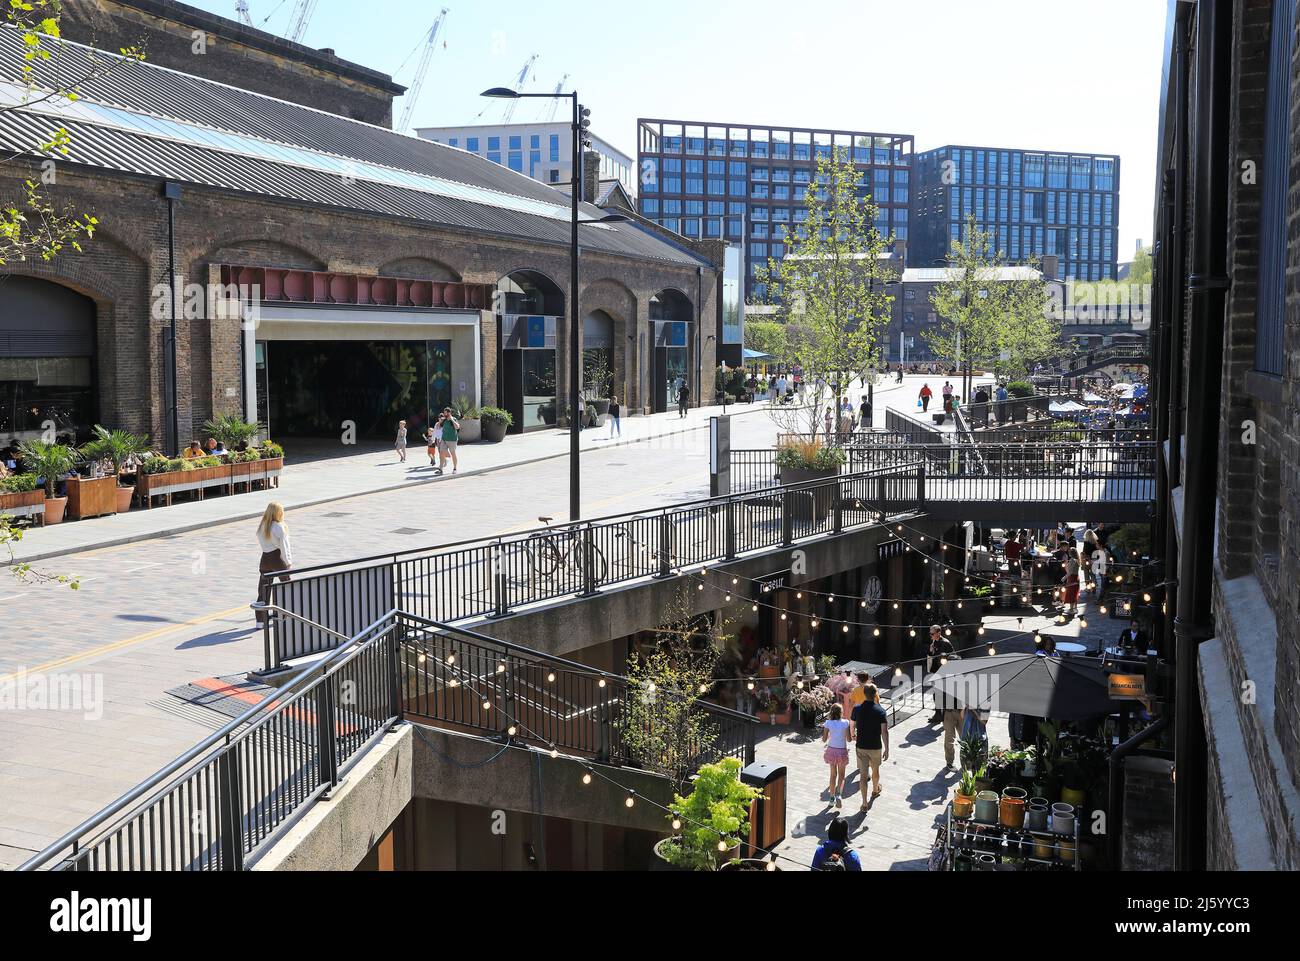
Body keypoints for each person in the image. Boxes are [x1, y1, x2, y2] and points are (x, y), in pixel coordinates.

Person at [851, 683, 889, 808]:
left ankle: (864, 803)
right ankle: (875, 790)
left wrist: (852, 735)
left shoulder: (857, 709)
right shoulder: (881, 711)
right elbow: (884, 731)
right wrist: (887, 748)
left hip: (861, 746)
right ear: (875, 695)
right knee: (875, 770)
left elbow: (852, 724)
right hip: (875, 746)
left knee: (863, 776)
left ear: (864, 694)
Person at [254, 501, 292, 624]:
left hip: (264, 559)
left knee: (263, 590)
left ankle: (260, 620)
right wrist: (288, 562)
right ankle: (284, 616)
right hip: (277, 559)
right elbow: (284, 547)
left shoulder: (262, 525)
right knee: (287, 587)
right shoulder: (279, 527)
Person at [821, 702, 852, 810]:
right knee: (842, 776)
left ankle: (831, 798)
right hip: (842, 751)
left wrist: (829, 735)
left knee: (833, 775)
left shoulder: (828, 723)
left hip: (831, 750)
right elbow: (849, 739)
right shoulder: (845, 723)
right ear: (841, 713)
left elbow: (824, 739)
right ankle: (839, 794)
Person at [925, 624, 955, 724]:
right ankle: (938, 715)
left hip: (945, 674)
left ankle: (946, 717)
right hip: (936, 673)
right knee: (936, 695)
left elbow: (954, 657)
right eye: (929, 633)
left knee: (945, 696)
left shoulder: (946, 643)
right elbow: (932, 657)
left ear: (938, 632)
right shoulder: (934, 642)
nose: (930, 635)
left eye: (932, 633)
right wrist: (931, 651)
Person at [437, 407, 460, 474]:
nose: (444, 414)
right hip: (444, 439)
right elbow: (439, 426)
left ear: (449, 413)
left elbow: (457, 427)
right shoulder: (444, 420)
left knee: (453, 453)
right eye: (444, 413)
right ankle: (440, 469)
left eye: (445, 413)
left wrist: (452, 420)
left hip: (452, 440)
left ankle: (455, 468)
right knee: (441, 452)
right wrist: (441, 421)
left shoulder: (454, 419)